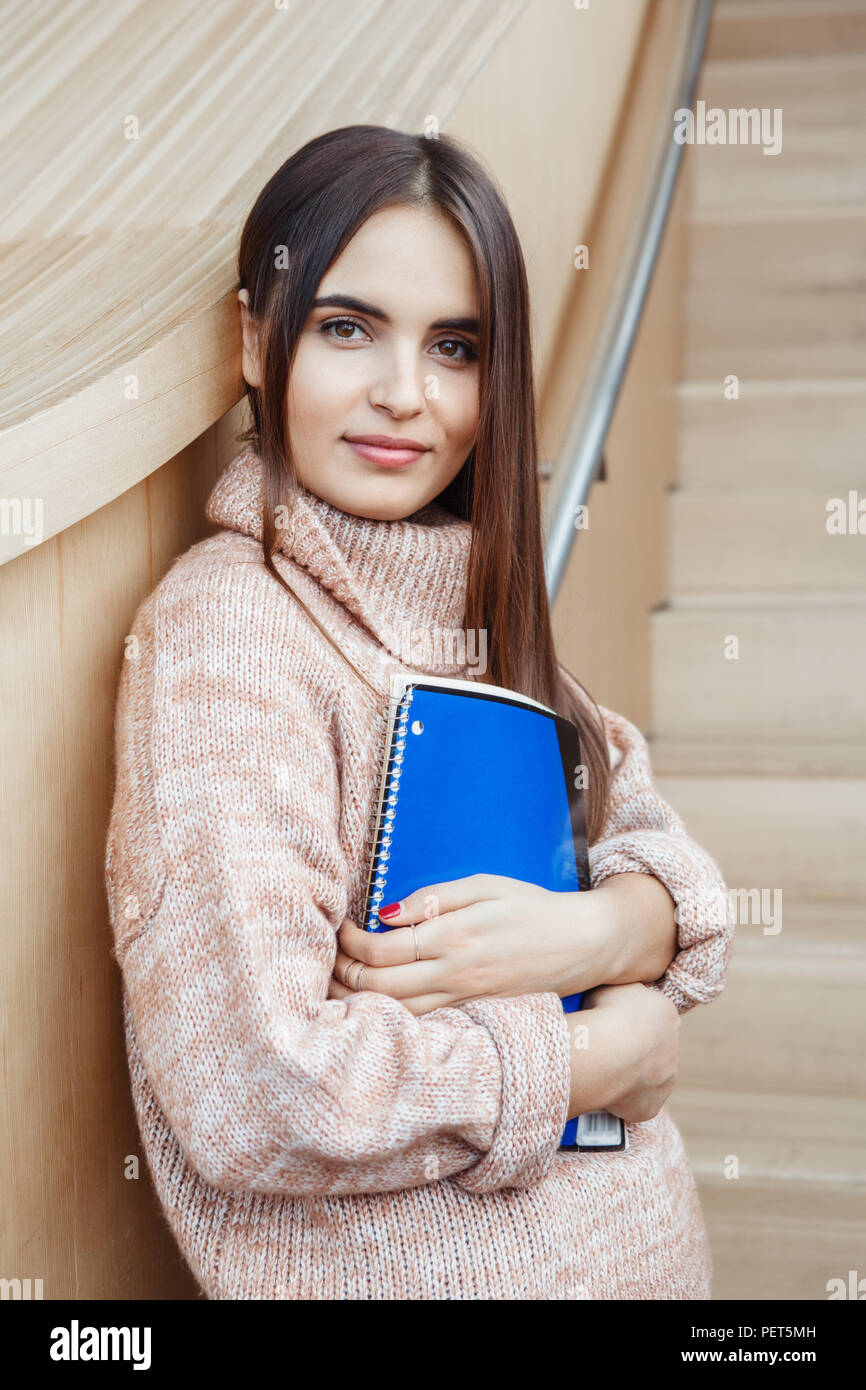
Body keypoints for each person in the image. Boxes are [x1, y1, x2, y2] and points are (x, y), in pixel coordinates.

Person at [105, 125, 734, 1300]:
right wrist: (596, 1053)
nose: (406, 395)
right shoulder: (229, 635)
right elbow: (257, 1090)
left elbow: (665, 855)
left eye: (455, 347)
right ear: (254, 339)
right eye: (348, 328)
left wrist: (606, 934)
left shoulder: (479, 601)